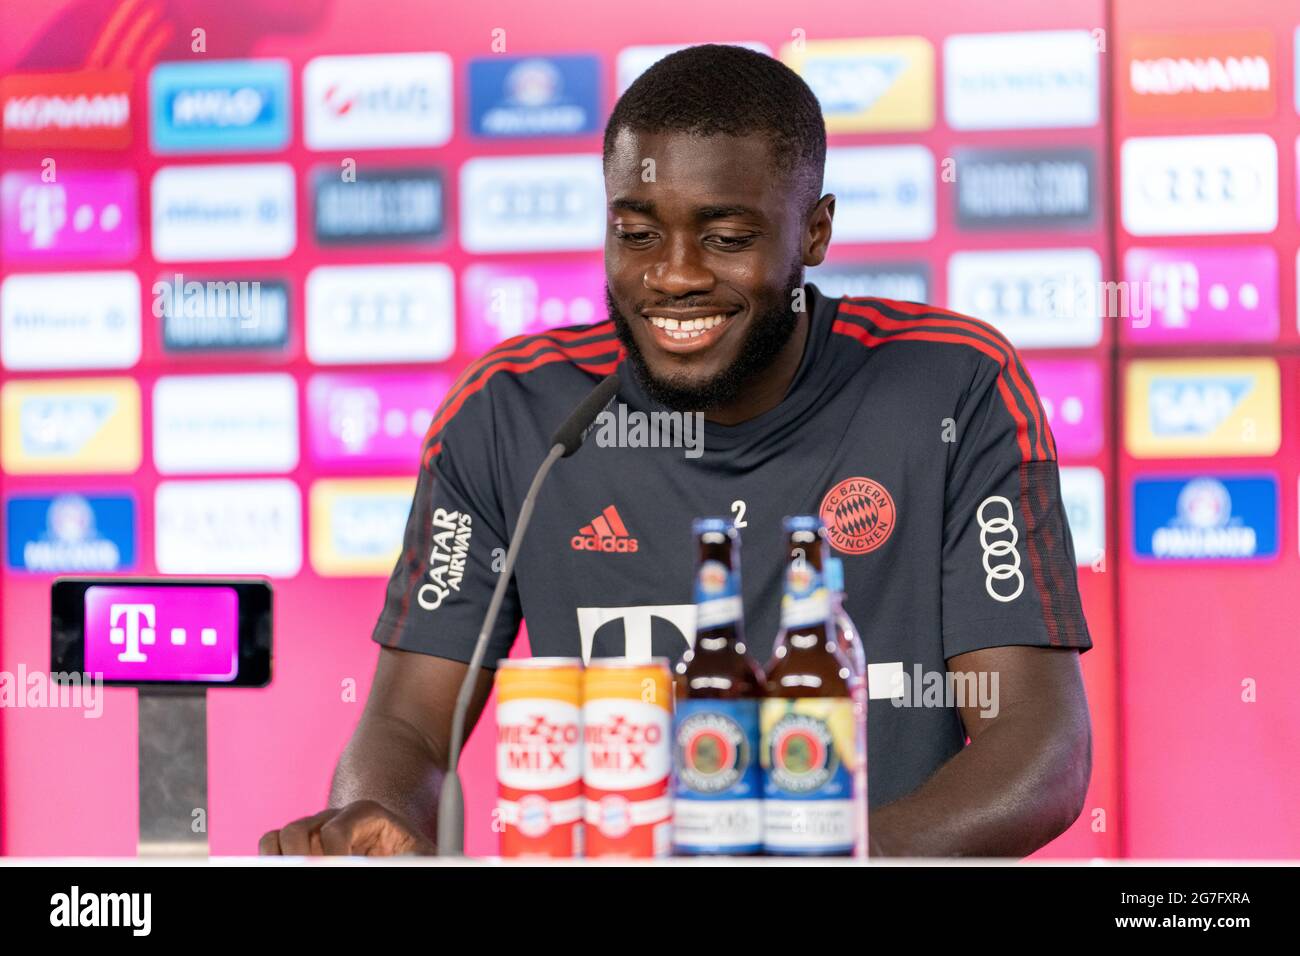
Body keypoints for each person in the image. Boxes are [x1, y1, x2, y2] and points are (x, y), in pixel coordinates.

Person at [261, 44, 1092, 858]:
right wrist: (375, 824)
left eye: (727, 238)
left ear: (815, 231)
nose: (674, 276)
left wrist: (835, 860)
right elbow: (410, 725)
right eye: (638, 234)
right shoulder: (513, 413)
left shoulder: (954, 384)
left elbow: (1038, 749)